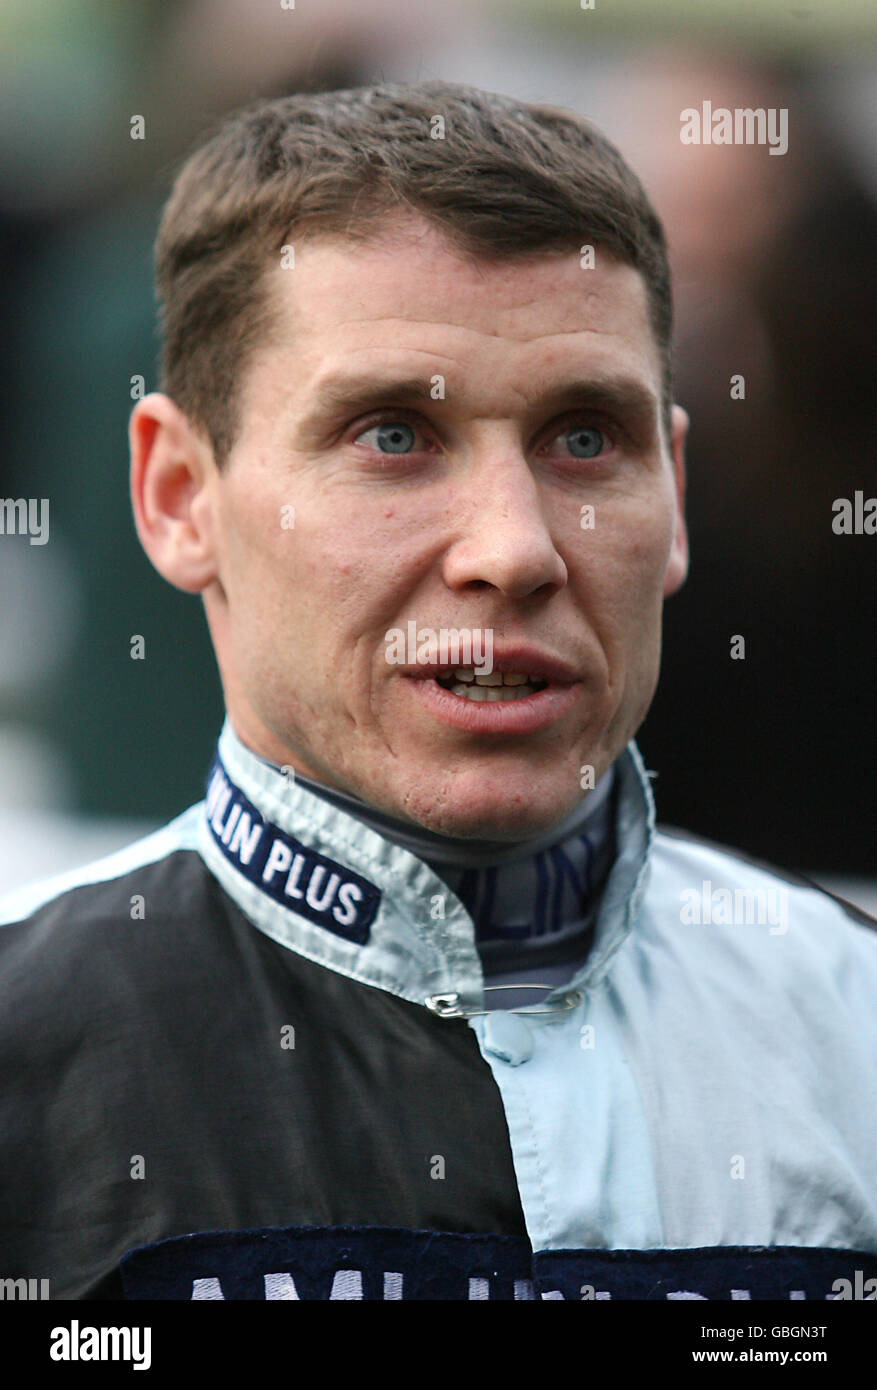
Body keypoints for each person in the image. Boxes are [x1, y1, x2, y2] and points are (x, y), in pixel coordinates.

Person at [1, 81, 875, 1303]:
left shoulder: (853, 1026)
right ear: (180, 499)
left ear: (674, 491)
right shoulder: (28, 1062)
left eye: (582, 438)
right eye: (393, 435)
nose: (514, 549)